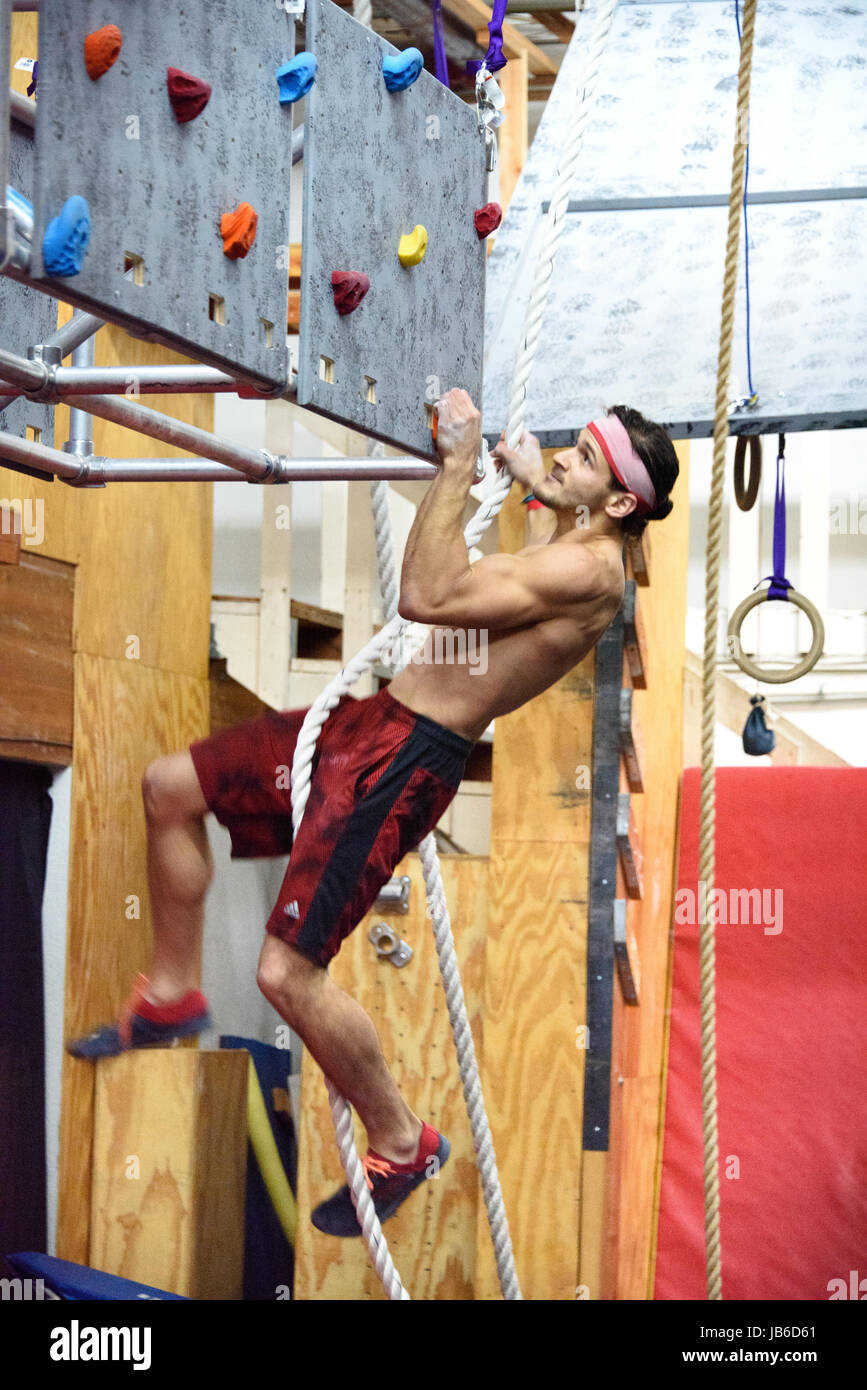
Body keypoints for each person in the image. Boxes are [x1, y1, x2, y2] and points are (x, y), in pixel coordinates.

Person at [66, 389, 679, 1235]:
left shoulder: (590, 570)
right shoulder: (575, 548)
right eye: (571, 445)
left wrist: (460, 460)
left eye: (584, 458)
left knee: (284, 973)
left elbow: (428, 598)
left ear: (618, 502)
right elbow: (510, 590)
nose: (564, 455)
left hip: (400, 762)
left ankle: (401, 1136)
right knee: (169, 787)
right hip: (372, 724)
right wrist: (537, 493)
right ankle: (170, 992)